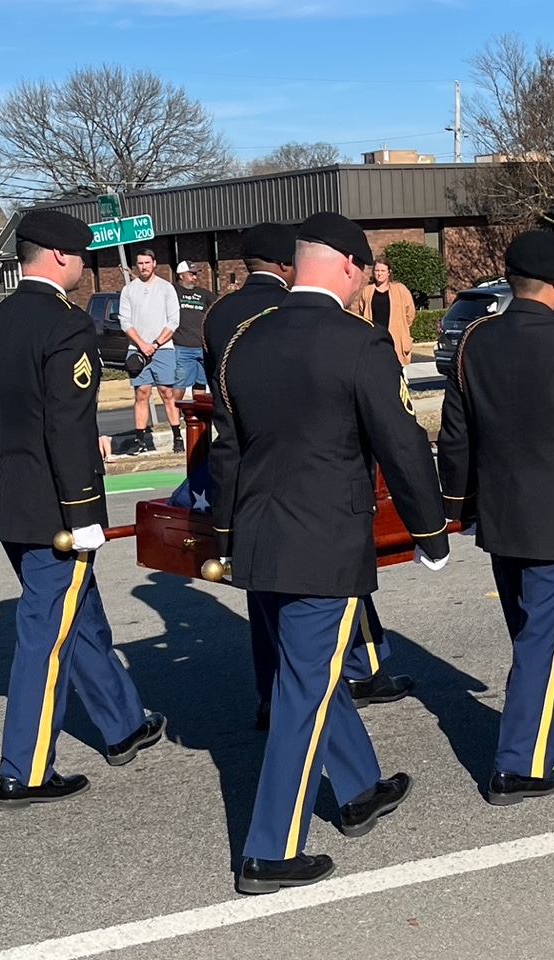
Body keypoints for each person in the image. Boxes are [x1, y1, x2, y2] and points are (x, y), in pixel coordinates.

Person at [211, 212, 449, 894]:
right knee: (303, 691)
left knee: (304, 668)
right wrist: (428, 531)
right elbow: (401, 444)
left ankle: (360, 787)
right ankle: (270, 850)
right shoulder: (358, 343)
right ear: (347, 265)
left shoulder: (243, 340)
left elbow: (227, 451)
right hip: (325, 540)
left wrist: (227, 538)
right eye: (363, 272)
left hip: (261, 536)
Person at [0, 210, 165, 811]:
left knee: (79, 614)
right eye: (80, 256)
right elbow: (69, 428)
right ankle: (24, 770)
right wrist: (83, 514)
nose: (84, 267)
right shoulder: (64, 326)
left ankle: (123, 722)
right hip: (55, 507)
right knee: (45, 635)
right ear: (56, 256)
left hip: (10, 499)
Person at [439, 230, 554, 806]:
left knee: (532, 628)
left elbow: (456, 434)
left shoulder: (476, 339)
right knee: (541, 636)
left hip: (498, 510)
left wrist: (458, 506)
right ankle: (516, 764)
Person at [202, 223, 413, 731]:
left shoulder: (224, 320)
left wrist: (223, 528)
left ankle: (350, 774)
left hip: (255, 498)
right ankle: (360, 671)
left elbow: (225, 430)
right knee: (320, 638)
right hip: (326, 504)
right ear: (287, 266)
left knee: (273, 616)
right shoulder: (348, 334)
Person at [119, 249, 181, 454]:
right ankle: (140, 440)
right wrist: (141, 344)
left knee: (166, 392)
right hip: (137, 349)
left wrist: (155, 343)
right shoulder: (129, 290)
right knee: (142, 392)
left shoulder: (166, 288)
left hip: (163, 349)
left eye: (147, 262)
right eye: (140, 263)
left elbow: (173, 321)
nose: (143, 267)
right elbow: (125, 321)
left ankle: (177, 436)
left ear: (154, 263)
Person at [171, 261, 217, 425]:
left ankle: (198, 419)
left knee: (200, 385)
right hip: (182, 347)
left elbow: (218, 306)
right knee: (180, 385)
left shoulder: (204, 294)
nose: (195, 277)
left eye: (196, 274)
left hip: (202, 347)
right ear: (181, 275)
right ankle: (175, 419)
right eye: (192, 274)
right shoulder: (172, 291)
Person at [360, 256, 417, 367]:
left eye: (383, 271)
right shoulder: (367, 291)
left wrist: (403, 328)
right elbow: (362, 312)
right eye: (377, 270)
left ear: (389, 272)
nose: (379, 274)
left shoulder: (400, 290)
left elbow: (410, 313)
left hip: (395, 338)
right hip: (374, 339)